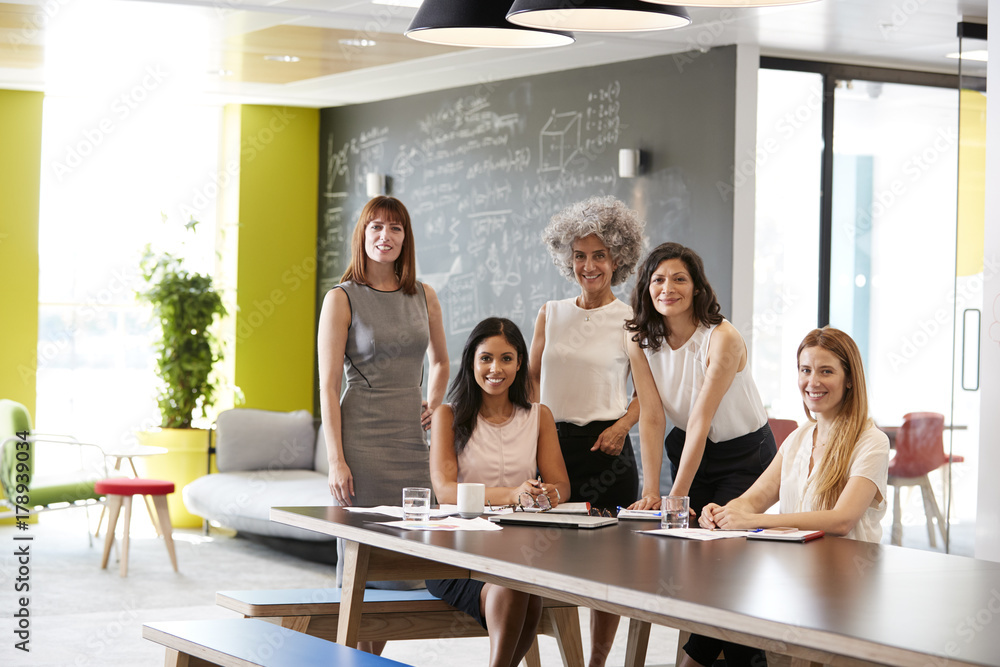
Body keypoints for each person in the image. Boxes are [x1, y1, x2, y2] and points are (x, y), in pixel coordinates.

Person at [693, 327, 889, 667]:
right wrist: (723, 511)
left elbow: (842, 520)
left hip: (843, 589)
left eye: (826, 371)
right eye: (806, 370)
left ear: (849, 380)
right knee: (717, 613)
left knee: (725, 619)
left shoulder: (871, 441)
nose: (813, 381)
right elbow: (753, 500)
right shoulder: (799, 438)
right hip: (794, 579)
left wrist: (755, 521)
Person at [625, 242, 776, 667]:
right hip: (690, 450)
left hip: (745, 454)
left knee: (724, 559)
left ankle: (698, 660)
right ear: (646, 286)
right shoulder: (638, 336)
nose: (667, 288)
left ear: (696, 288)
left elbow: (700, 419)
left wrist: (676, 498)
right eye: (658, 279)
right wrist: (652, 490)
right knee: (695, 563)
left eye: (679, 279)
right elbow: (653, 417)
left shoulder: (722, 337)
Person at [316, 196, 449, 653]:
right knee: (363, 570)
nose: (385, 237)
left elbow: (443, 362)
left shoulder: (424, 295)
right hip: (362, 441)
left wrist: (431, 403)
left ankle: (371, 659)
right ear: (362, 235)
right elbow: (328, 387)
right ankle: (353, 657)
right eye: (375, 227)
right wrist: (336, 461)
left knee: (403, 569)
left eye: (395, 228)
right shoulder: (341, 298)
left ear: (405, 238)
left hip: (413, 444)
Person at [528, 195, 644, 667]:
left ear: (617, 258)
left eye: (599, 255)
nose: (589, 265)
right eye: (579, 255)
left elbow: (650, 398)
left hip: (608, 451)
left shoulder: (632, 318)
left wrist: (622, 426)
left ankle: (595, 662)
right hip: (553, 448)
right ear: (566, 258)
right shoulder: (550, 313)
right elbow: (528, 382)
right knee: (539, 560)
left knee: (606, 572)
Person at [428, 317, 571, 667]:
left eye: (507, 358)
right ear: (472, 362)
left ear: (520, 362)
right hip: (456, 551)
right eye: (486, 358)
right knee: (517, 583)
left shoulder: (539, 416)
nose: (496, 368)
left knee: (525, 586)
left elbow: (562, 486)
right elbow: (446, 492)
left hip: (517, 546)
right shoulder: (448, 415)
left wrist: (542, 494)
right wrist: (513, 495)